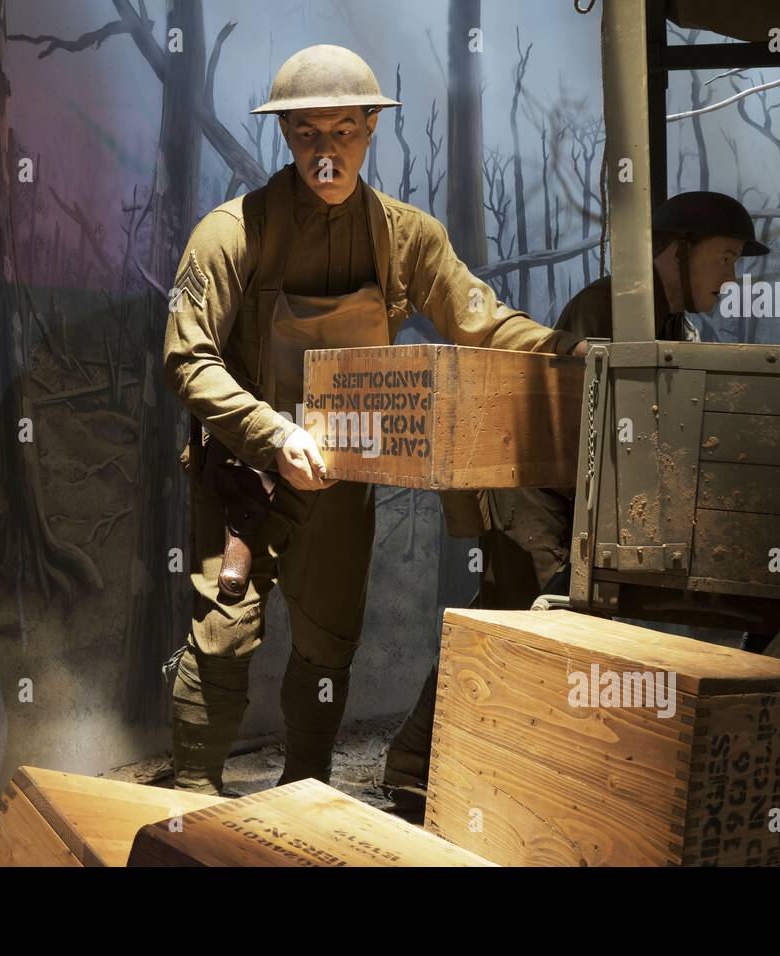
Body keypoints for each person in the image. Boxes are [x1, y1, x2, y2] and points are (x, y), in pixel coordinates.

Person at [162, 45, 586, 795]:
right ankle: (193, 798)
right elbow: (189, 361)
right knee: (223, 632)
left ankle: (306, 793)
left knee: (329, 644)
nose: (327, 154)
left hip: (344, 470)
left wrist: (574, 351)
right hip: (246, 471)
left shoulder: (405, 236)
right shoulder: (231, 234)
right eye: (308, 136)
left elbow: (481, 323)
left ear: (370, 129)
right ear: (285, 135)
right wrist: (273, 435)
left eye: (344, 132)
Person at [383, 191, 772, 802]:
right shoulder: (610, 309)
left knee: (523, 624)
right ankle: (419, 765)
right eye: (724, 258)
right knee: (518, 621)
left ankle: (460, 766)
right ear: (678, 250)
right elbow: (590, 428)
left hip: (582, 496)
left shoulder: (672, 325)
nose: (731, 276)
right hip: (534, 487)